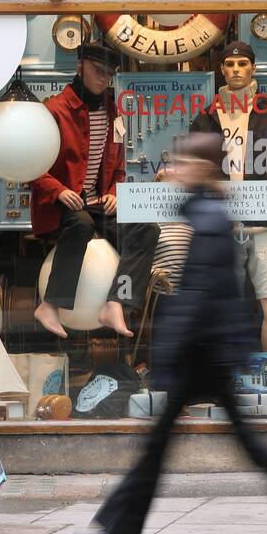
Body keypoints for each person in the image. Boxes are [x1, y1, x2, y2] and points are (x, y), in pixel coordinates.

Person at [81, 132, 267, 534]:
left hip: (205, 355)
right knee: (165, 449)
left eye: (181, 162)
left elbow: (205, 296)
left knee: (205, 450)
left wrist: (173, 352)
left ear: (203, 167)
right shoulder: (200, 211)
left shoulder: (209, 217)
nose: (173, 169)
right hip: (205, 353)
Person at [31, 41, 159, 339]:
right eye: (97, 71)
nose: (103, 79)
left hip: (96, 202)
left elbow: (118, 167)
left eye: (109, 74)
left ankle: (115, 302)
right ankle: (49, 305)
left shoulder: (112, 112)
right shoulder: (54, 111)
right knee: (81, 223)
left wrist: (114, 192)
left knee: (146, 229)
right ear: (80, 67)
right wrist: (58, 189)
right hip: (62, 205)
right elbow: (29, 164)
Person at [189, 41, 267, 352]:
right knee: (223, 307)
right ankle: (226, 379)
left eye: (242, 64)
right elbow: (195, 169)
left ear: (253, 68)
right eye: (230, 64)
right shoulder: (207, 116)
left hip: (264, 222)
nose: (236, 70)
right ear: (222, 70)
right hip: (223, 226)